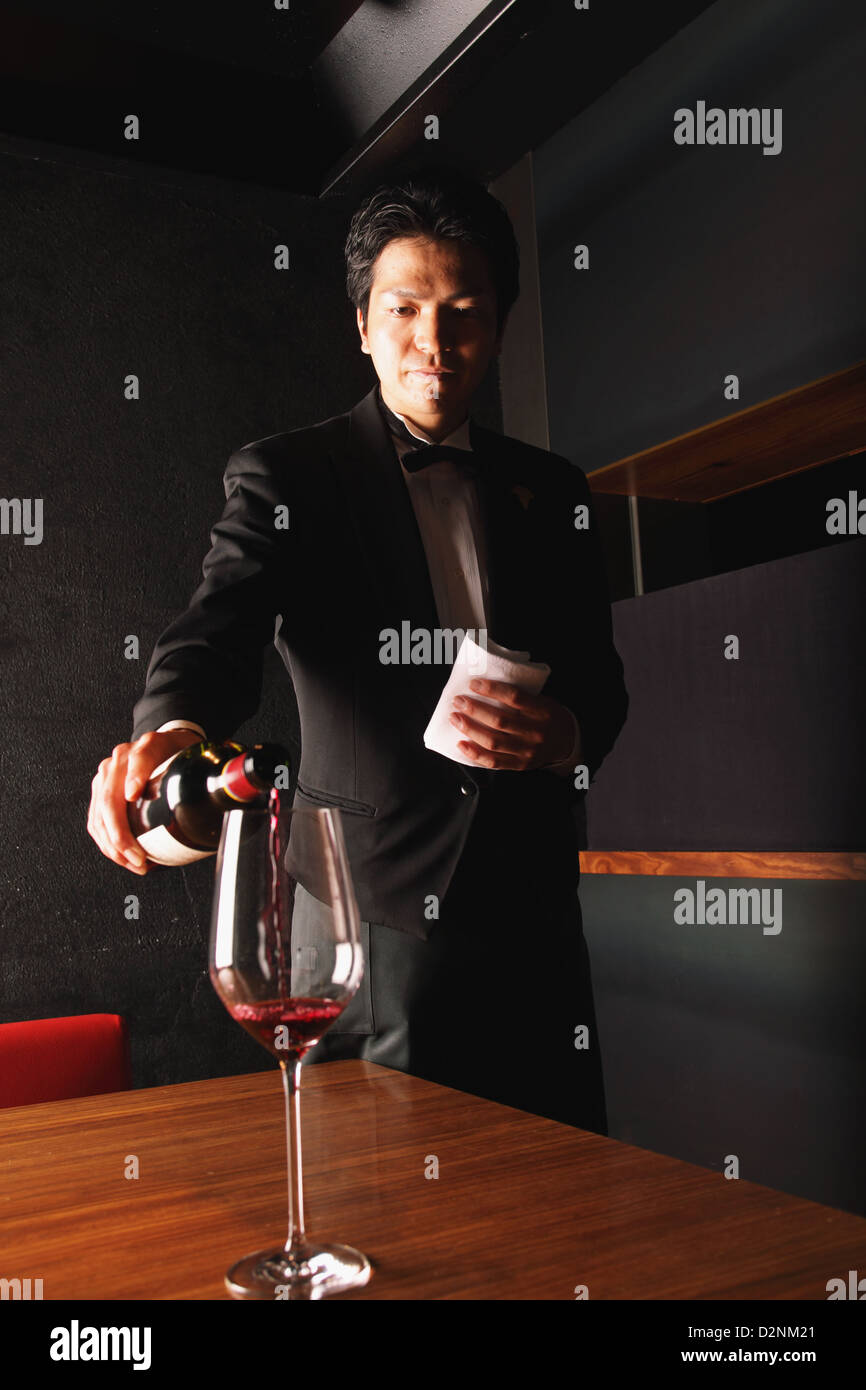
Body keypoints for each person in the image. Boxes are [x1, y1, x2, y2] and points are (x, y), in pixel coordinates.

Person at [87, 165, 628, 1132]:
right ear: (363, 322)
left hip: (538, 919)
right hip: (365, 925)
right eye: (406, 307)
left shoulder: (557, 491)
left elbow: (604, 685)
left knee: (566, 1205)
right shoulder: (289, 474)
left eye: (464, 309)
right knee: (379, 1231)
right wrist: (170, 728)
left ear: (498, 320)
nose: (435, 341)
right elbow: (216, 634)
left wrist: (564, 735)